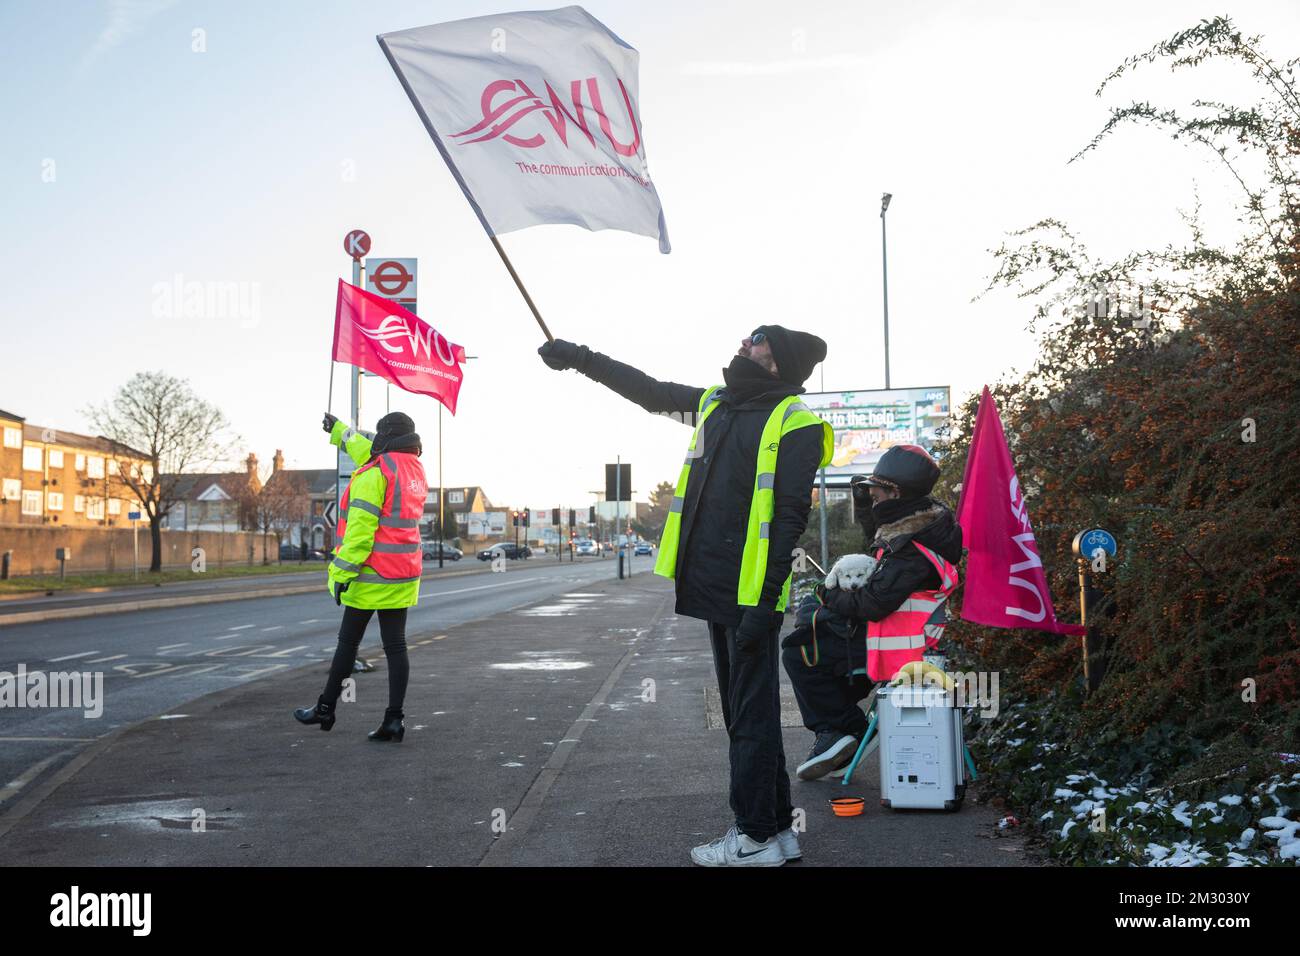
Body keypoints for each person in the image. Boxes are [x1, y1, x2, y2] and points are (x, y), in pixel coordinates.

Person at [538, 327, 832, 866]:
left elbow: (790, 518)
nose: (745, 342)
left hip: (750, 594)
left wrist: (765, 603)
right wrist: (579, 358)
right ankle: (777, 832)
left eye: (758, 339)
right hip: (715, 584)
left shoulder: (796, 421)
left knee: (747, 717)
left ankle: (752, 838)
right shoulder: (717, 402)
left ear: (778, 361)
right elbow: (649, 390)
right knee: (753, 711)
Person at [782, 444, 963, 779]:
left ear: (895, 492)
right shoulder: (921, 528)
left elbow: (872, 604)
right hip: (903, 636)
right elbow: (883, 561)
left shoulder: (914, 546)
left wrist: (827, 595)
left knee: (799, 651)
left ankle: (843, 729)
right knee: (814, 631)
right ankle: (841, 732)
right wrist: (867, 510)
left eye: (876, 492)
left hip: (900, 646)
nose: (872, 497)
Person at [293, 411, 427, 742]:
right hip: (403, 572)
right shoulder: (411, 468)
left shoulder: (373, 474)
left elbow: (360, 534)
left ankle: (325, 709)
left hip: (371, 575)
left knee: (348, 644)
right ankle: (394, 720)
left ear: (385, 437)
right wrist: (339, 430)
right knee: (396, 646)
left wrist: (340, 573)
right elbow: (362, 448)